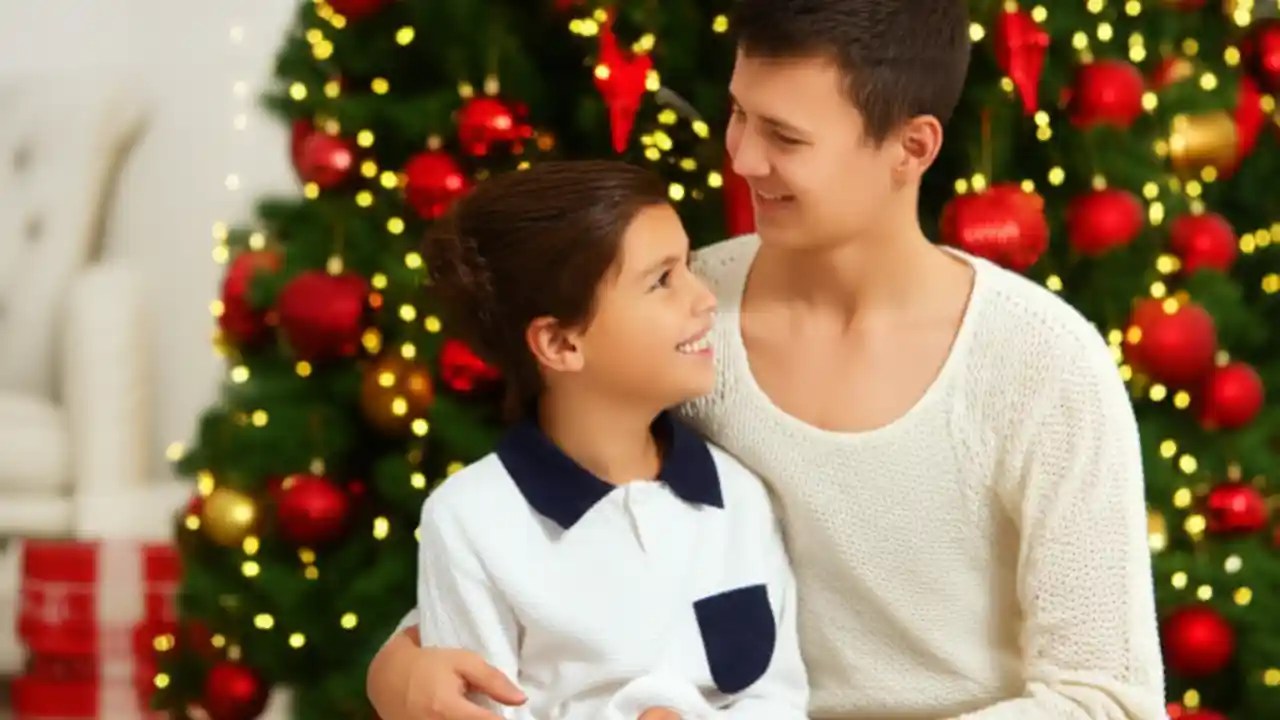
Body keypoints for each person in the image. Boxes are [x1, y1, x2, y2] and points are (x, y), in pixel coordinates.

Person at [368, 0, 1168, 717]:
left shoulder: (1042, 366)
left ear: (911, 147)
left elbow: (1104, 698)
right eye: (738, 114)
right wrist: (400, 665)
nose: (744, 158)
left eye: (786, 137)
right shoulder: (684, 315)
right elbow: (564, 535)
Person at [408, 160, 809, 720]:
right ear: (560, 344)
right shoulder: (470, 521)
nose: (704, 299)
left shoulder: (737, 497)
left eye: (688, 266)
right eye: (662, 280)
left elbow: (779, 698)